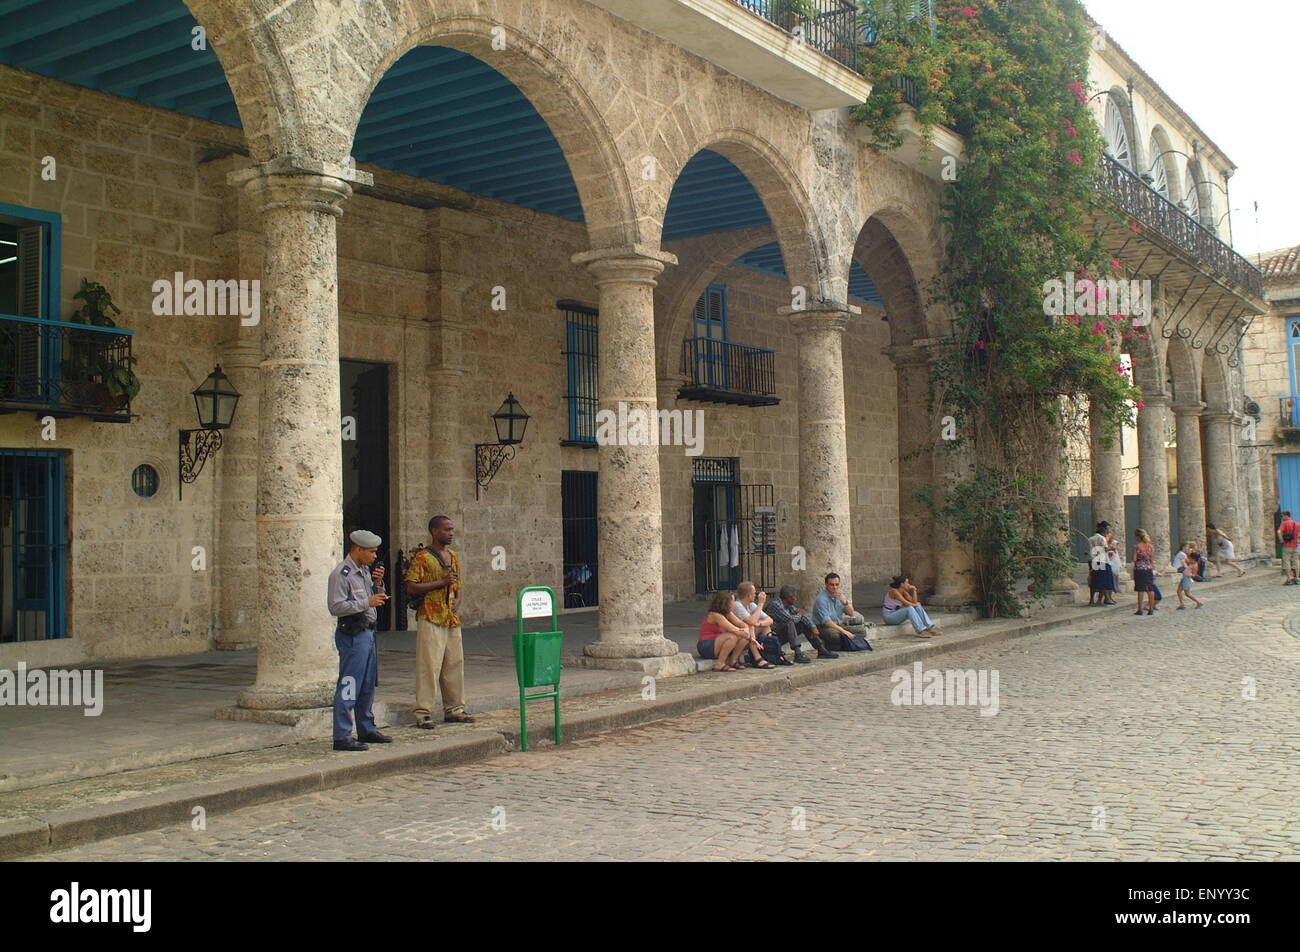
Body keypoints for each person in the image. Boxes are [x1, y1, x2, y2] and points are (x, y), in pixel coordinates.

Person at [404, 516, 472, 729]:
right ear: (434, 531)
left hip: (450, 617)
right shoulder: (423, 558)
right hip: (430, 615)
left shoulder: (453, 556)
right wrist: (440, 583)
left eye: (452, 529)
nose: (451, 533)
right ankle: (423, 712)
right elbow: (411, 586)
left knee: (454, 663)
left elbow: (458, 585)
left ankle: (455, 708)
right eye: (446, 529)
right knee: (429, 665)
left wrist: (458, 600)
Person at [327, 529, 392, 751]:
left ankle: (366, 727)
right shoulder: (342, 574)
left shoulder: (364, 571)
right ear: (358, 549)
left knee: (367, 683)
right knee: (349, 683)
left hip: (368, 633)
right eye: (371, 552)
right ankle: (342, 734)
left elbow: (371, 597)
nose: (375, 556)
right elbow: (336, 606)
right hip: (353, 634)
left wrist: (378, 585)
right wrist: (368, 602)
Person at [697, 591, 771, 671]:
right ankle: (720, 664)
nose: (734, 603)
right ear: (725, 603)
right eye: (732, 601)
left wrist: (746, 631)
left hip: (718, 642)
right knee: (732, 637)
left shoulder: (728, 613)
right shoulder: (715, 615)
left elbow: (741, 624)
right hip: (706, 646)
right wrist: (749, 636)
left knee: (743, 636)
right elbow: (733, 629)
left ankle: (733, 660)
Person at [763, 585, 826, 663]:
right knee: (789, 623)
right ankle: (798, 653)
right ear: (789, 597)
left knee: (803, 622)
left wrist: (813, 627)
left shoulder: (789, 606)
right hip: (771, 636)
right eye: (794, 597)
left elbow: (802, 616)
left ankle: (821, 648)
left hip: (781, 634)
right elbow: (791, 619)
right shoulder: (775, 605)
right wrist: (799, 614)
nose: (795, 599)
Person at [732, 582, 786, 666]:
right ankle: (758, 659)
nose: (755, 595)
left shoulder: (750, 605)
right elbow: (751, 622)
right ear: (748, 595)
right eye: (754, 593)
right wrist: (761, 604)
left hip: (747, 638)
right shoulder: (737, 605)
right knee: (750, 627)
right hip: (736, 639)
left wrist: (760, 624)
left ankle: (770, 654)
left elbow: (769, 620)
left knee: (765, 626)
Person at [812, 573, 871, 650]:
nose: (835, 587)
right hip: (825, 627)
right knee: (835, 636)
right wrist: (844, 632)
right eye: (831, 585)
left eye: (837, 584)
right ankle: (838, 644)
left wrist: (845, 602)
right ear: (826, 584)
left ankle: (843, 643)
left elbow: (851, 613)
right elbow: (827, 621)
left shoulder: (839, 596)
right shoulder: (821, 599)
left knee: (862, 631)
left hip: (839, 625)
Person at [1087, 521, 1118, 606]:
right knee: (1104, 580)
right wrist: (1112, 548)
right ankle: (1102, 599)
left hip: (1093, 560)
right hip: (1102, 560)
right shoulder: (1102, 538)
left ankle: (1091, 600)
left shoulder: (1090, 538)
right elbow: (1105, 549)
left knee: (1094, 580)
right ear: (1103, 532)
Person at [1132, 529, 1157, 616]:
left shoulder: (1136, 547)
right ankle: (1151, 608)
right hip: (1148, 568)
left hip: (1139, 569)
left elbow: (1134, 559)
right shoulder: (1150, 547)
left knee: (1140, 589)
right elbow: (1152, 559)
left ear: (1138, 537)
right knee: (1150, 588)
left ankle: (1140, 609)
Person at [1280, 511, 1300, 585]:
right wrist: (1298, 539)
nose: (1282, 518)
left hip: (1287, 546)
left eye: (1282, 516)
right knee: (1296, 561)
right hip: (1295, 546)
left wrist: (1282, 540)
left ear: (1286, 516)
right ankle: (1297, 578)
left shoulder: (1284, 523)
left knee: (1286, 562)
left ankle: (1289, 579)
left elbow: (1279, 532)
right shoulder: (1297, 524)